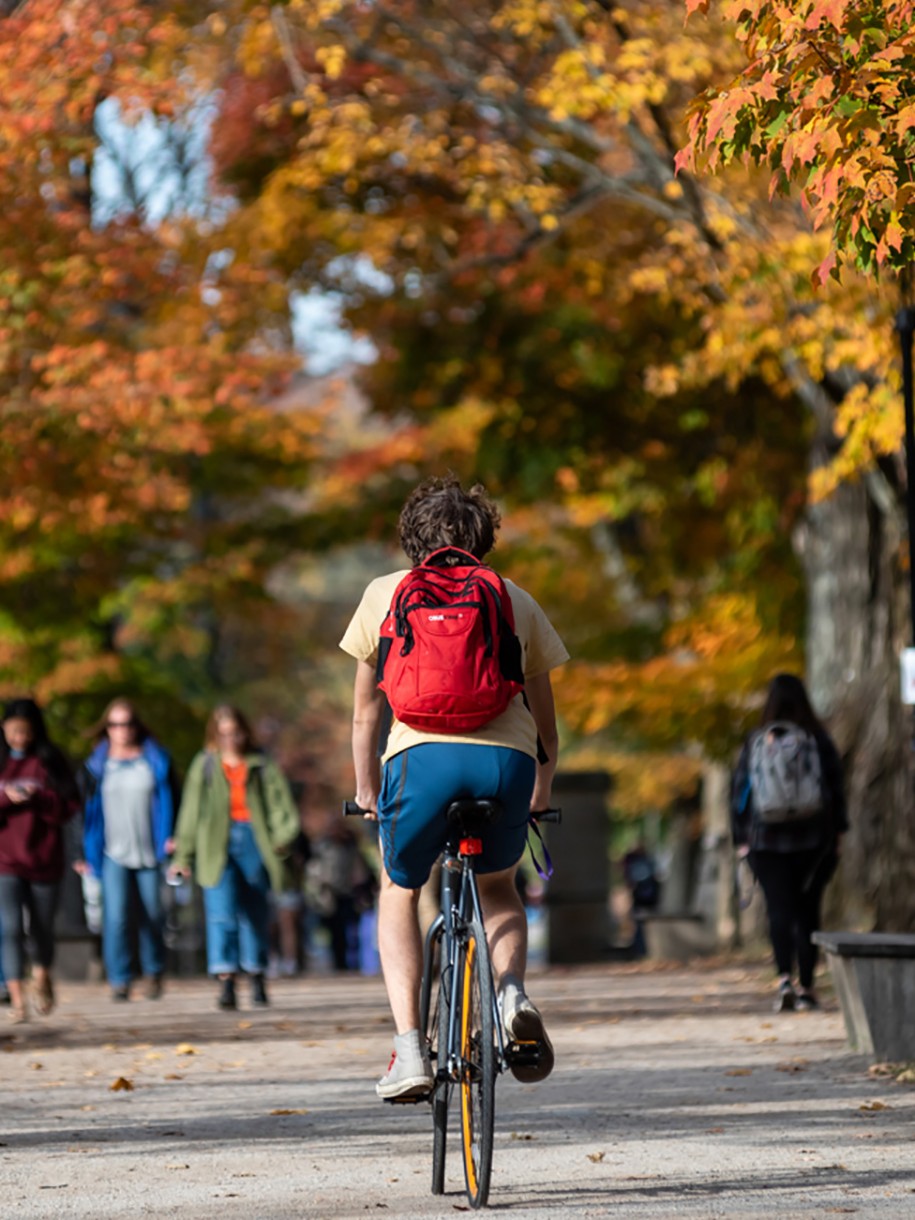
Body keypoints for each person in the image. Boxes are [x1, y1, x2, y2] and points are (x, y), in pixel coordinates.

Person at [340, 476, 568, 1099]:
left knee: (398, 888)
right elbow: (545, 726)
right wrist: (539, 792)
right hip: (505, 764)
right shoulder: (514, 597)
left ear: (412, 537)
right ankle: (512, 994)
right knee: (498, 888)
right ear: (484, 538)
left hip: (420, 762)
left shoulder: (385, 594)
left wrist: (366, 790)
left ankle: (410, 1049)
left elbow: (366, 714)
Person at [170, 705, 300, 1010]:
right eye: (224, 733)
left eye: (236, 732)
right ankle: (226, 980)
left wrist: (283, 838)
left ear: (245, 732)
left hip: (255, 840)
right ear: (215, 735)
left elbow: (281, 805)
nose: (230, 739)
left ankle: (256, 975)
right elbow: (190, 814)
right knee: (221, 913)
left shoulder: (262, 764)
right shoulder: (204, 765)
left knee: (254, 913)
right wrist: (182, 856)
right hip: (216, 845)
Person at [731, 673, 847, 1013]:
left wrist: (741, 839)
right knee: (808, 911)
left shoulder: (757, 740)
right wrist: (838, 833)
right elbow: (835, 791)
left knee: (778, 910)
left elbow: (739, 793)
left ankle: (784, 978)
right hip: (814, 841)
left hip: (765, 841)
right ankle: (808, 988)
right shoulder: (817, 739)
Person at [78, 699, 179, 1002]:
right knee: (116, 916)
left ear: (137, 726)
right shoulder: (96, 765)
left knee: (153, 914)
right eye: (115, 724)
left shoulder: (156, 760)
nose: (122, 730)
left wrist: (173, 836)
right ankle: (119, 980)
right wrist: (80, 851)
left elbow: (175, 798)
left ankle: (153, 973)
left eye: (127, 723)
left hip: (149, 851)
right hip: (111, 852)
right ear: (107, 728)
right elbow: (83, 812)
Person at [0, 698, 79, 1022]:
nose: (20, 738)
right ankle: (18, 1001)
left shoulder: (50, 760)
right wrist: (6, 796)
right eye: (15, 731)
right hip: (4, 860)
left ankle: (42, 973)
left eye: (27, 732)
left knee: (42, 928)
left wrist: (39, 796)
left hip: (45, 859)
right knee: (9, 929)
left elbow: (70, 806)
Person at [306, 817, 377, 972]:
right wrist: (319, 891)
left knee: (351, 932)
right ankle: (338, 964)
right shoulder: (322, 847)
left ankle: (351, 964)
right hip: (330, 896)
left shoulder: (351, 846)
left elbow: (361, 870)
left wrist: (362, 887)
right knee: (334, 933)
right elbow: (314, 872)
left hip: (349, 895)